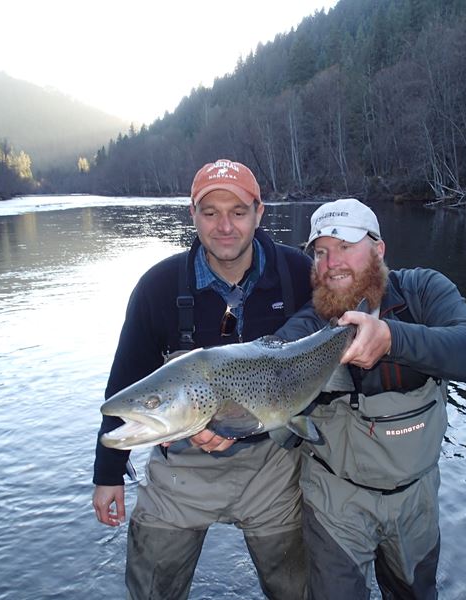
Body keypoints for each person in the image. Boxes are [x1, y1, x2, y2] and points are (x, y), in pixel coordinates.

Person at [92, 159, 312, 599]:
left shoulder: (298, 273)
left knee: (298, 591)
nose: (224, 226)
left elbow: (335, 340)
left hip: (273, 468)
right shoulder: (157, 287)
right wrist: (108, 473)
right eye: (210, 212)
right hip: (180, 475)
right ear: (192, 215)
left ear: (259, 212)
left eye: (237, 211)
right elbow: (125, 383)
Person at [274, 198, 466, 599]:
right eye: (321, 252)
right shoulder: (310, 323)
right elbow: (271, 361)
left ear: (379, 250)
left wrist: (394, 339)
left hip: (416, 500)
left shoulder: (423, 291)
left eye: (345, 247)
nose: (331, 264)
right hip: (335, 499)